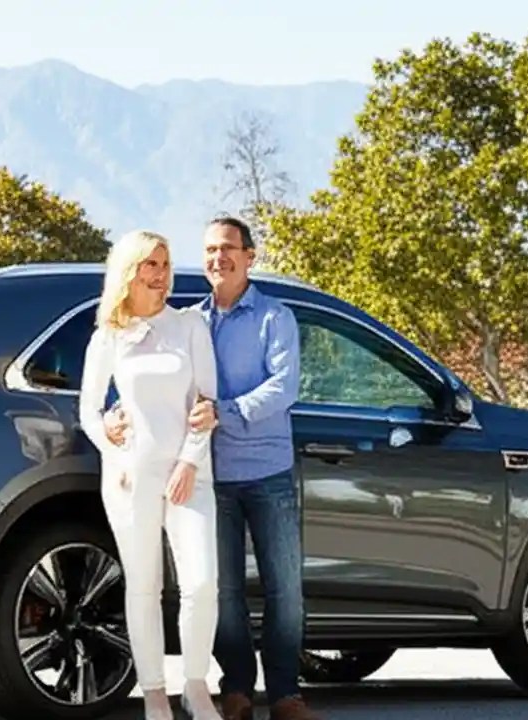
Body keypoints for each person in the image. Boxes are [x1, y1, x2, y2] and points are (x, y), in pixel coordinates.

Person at [106, 217, 319, 720]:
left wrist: (226, 410)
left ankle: (286, 695)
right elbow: (141, 377)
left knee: (283, 588)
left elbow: (283, 387)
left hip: (268, 471)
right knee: (219, 592)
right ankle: (237, 690)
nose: (217, 258)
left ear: (249, 256)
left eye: (227, 249)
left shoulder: (274, 317)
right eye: (208, 250)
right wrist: (115, 414)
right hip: (208, 476)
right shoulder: (187, 322)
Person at [78, 229, 224, 720]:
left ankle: (197, 686)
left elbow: (206, 405)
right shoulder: (108, 336)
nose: (162, 276)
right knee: (143, 586)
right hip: (130, 477)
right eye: (151, 266)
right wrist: (114, 451)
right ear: (129, 272)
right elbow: (89, 413)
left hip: (190, 472)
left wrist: (188, 462)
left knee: (202, 583)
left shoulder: (189, 328)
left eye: (165, 265)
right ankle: (155, 696)